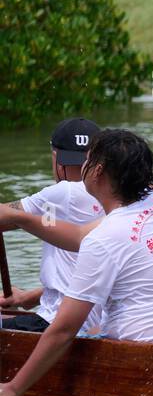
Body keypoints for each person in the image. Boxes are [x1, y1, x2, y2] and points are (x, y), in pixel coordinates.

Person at [0, 130, 153, 396]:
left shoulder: (105, 238)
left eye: (88, 159)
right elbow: (79, 235)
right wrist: (22, 218)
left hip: (139, 358)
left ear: (96, 171)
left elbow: (64, 330)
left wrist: (13, 390)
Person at [1, 118, 104, 333]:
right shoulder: (118, 196)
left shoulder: (63, 192)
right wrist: (29, 297)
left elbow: (5, 217)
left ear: (57, 158)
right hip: (98, 323)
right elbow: (83, 281)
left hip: (56, 323)